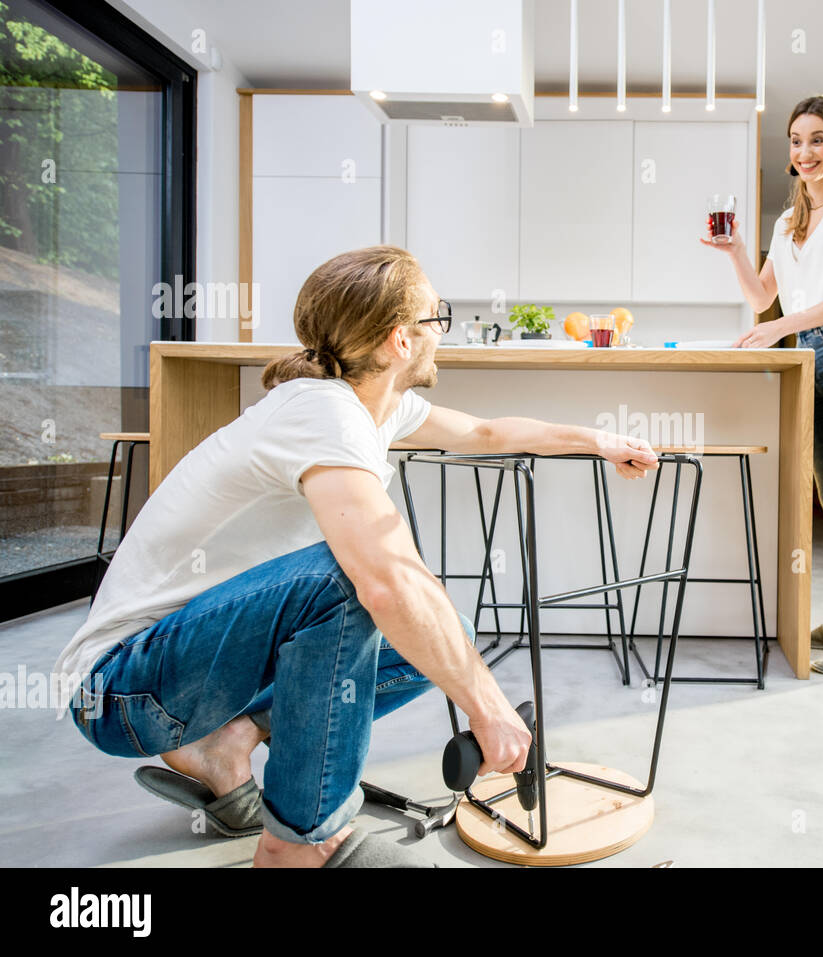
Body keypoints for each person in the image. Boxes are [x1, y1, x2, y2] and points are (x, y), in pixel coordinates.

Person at [53, 245, 660, 867]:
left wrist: (597, 439)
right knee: (354, 580)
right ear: (401, 339)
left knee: (449, 631)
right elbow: (385, 579)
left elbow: (484, 432)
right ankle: (299, 844)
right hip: (119, 687)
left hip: (187, 673)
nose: (440, 331)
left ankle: (228, 742)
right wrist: (491, 708)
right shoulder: (324, 414)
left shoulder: (373, 407)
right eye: (436, 317)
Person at [705, 93, 823, 676]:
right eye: (796, 141)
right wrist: (738, 251)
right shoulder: (788, 222)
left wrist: (782, 327)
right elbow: (762, 297)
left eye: (818, 139)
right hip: (809, 358)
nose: (806, 151)